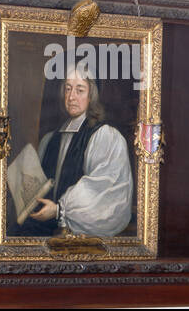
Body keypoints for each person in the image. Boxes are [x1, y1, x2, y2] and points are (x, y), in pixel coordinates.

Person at [8, 67, 133, 237]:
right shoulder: (50, 139)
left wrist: (59, 210)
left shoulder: (105, 137)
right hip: (40, 230)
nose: (71, 97)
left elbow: (104, 192)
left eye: (80, 90)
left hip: (77, 236)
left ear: (91, 96)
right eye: (68, 89)